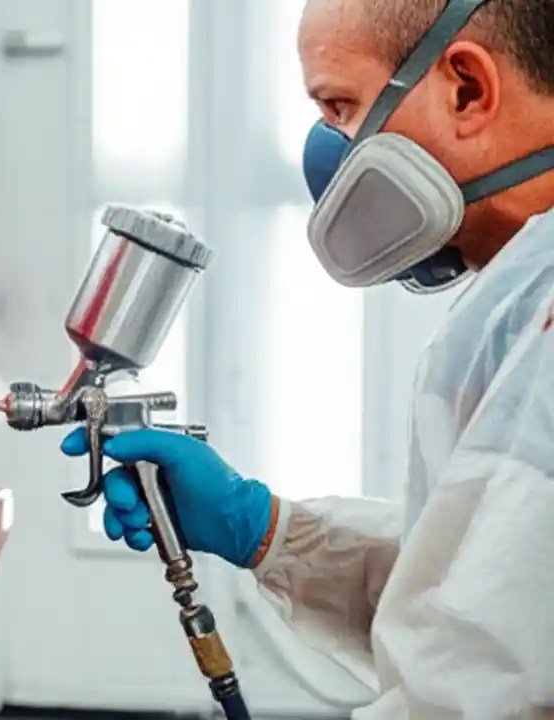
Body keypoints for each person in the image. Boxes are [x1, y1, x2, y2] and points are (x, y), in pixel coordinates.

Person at [63, 0, 554, 717]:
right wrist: (263, 528)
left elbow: (485, 687)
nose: (330, 154)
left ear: (467, 90)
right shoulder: (521, 291)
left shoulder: (541, 316)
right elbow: (484, 590)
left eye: (340, 108)